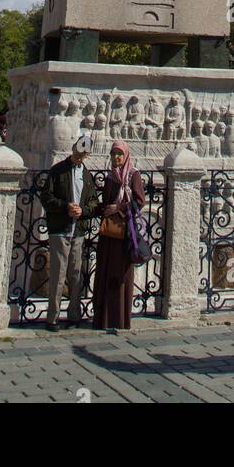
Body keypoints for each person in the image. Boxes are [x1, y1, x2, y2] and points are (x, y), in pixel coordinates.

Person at [41, 134, 99, 332]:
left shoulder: (86, 173)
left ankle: (74, 314)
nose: (80, 157)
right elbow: (46, 197)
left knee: (76, 274)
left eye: (84, 155)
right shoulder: (58, 170)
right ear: (73, 149)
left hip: (78, 230)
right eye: (79, 153)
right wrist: (65, 207)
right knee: (58, 275)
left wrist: (84, 211)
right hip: (60, 229)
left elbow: (93, 201)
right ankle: (53, 318)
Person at [92, 140, 145, 330]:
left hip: (124, 233)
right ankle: (102, 317)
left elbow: (139, 201)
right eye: (113, 154)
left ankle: (119, 318)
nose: (116, 158)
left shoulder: (133, 175)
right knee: (105, 272)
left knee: (120, 275)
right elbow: (103, 203)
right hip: (108, 232)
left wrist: (119, 208)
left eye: (119, 154)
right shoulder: (110, 177)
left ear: (125, 155)